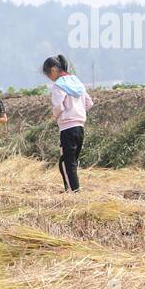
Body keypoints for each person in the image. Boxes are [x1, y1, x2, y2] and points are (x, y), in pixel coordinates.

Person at [42, 54, 93, 192]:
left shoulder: (58, 86)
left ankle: (73, 192)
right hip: (80, 127)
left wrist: (55, 116)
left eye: (48, 75)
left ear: (53, 70)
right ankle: (70, 189)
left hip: (67, 128)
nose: (50, 78)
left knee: (66, 163)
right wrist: (78, 111)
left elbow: (59, 106)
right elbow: (89, 103)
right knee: (69, 162)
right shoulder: (77, 82)